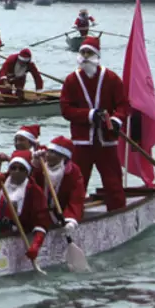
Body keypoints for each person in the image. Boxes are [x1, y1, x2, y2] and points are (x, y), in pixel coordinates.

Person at [59, 37, 129, 211]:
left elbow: (123, 105)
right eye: (82, 52)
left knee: (113, 181)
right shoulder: (71, 80)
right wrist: (90, 115)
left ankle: (118, 212)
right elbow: (66, 110)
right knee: (76, 182)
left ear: (97, 55)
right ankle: (71, 213)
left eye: (88, 52)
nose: (84, 56)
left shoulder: (111, 78)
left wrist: (116, 119)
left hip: (106, 140)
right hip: (82, 142)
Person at [0, 150, 50, 263]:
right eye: (13, 168)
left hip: (20, 231)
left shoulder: (34, 191)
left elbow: (42, 222)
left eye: (21, 169)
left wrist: (35, 246)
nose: (16, 172)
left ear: (27, 172)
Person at [33, 136, 85, 231]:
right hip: (40, 213)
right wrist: (34, 166)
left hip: (61, 212)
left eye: (53, 153)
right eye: (48, 151)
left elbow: (77, 199)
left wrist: (70, 219)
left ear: (63, 157)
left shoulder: (73, 172)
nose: (48, 155)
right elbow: (29, 184)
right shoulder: (40, 166)